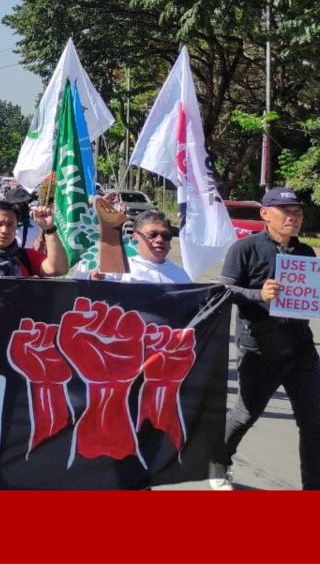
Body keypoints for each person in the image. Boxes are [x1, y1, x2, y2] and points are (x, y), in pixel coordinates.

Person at [210, 186, 318, 490]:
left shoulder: (305, 252)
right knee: (244, 415)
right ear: (265, 214)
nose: (293, 218)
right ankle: (219, 462)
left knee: (313, 423)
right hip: (259, 349)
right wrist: (259, 294)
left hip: (300, 350)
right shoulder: (245, 249)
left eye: (297, 212)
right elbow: (224, 290)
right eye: (286, 212)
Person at [93, 210, 190, 284]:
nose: (160, 240)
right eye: (152, 234)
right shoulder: (117, 269)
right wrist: (96, 279)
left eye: (166, 235)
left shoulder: (182, 277)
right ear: (135, 238)